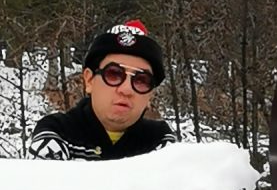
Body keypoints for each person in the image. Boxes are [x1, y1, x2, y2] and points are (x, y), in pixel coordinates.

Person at [29, 21, 172, 160]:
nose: (126, 89)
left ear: (150, 95)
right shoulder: (57, 132)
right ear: (89, 80)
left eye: (141, 80)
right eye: (114, 74)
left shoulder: (160, 141)